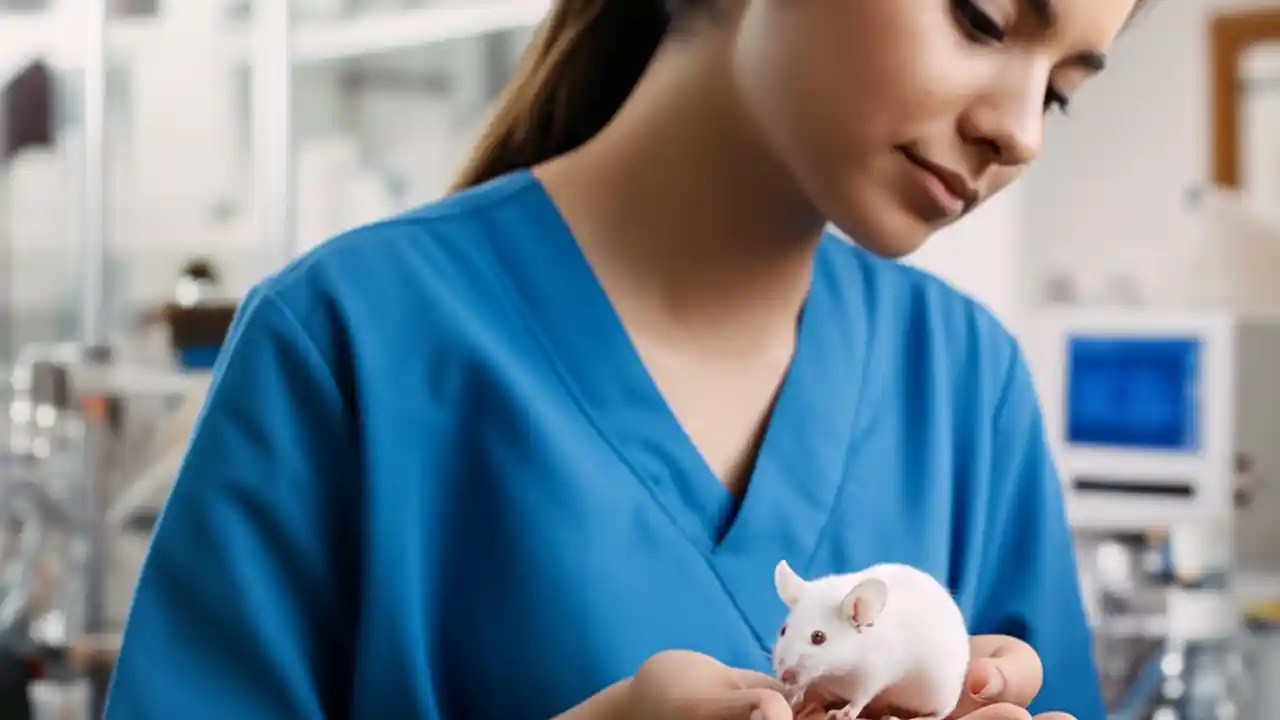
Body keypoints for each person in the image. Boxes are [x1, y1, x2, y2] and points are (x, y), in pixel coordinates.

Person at [104, 0, 1145, 718]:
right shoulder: (342, 346)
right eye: (980, 18)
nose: (1017, 132)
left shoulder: (966, 387)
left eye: (1058, 91)